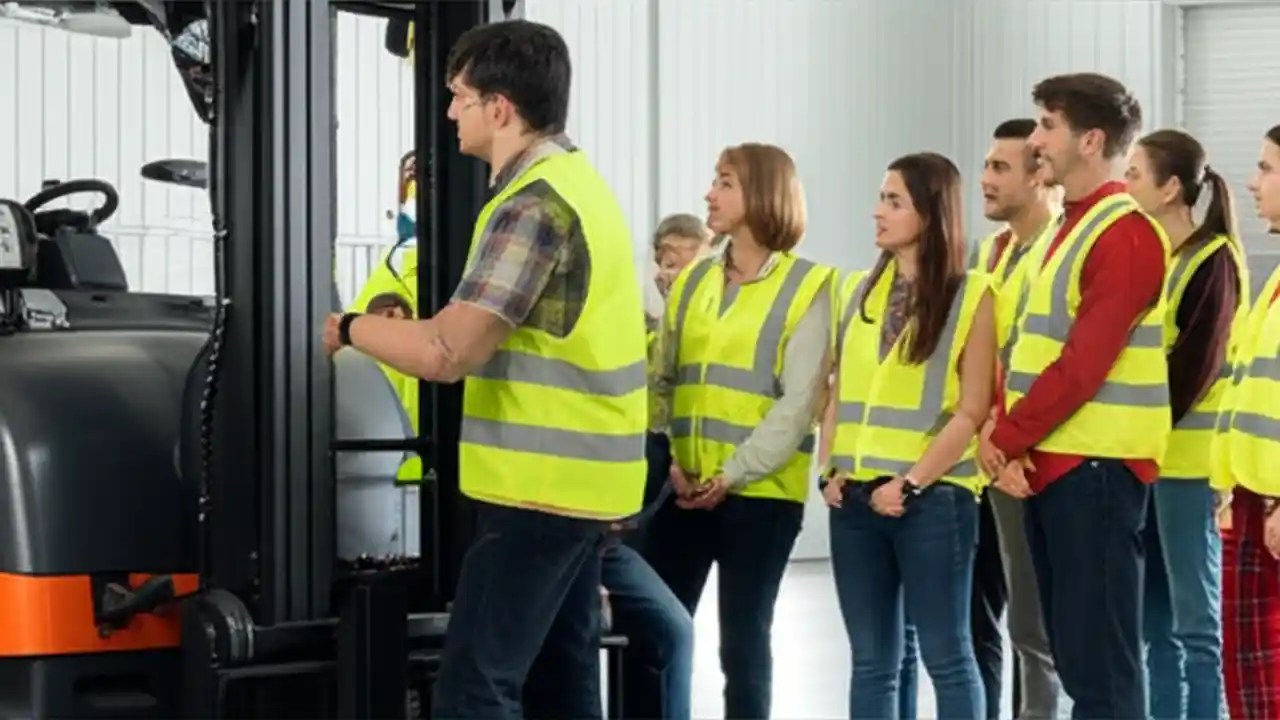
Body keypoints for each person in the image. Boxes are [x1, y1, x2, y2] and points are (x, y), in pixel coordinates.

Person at [322, 20, 648, 719]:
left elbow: (448, 353)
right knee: (562, 686)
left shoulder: (533, 205)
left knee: (474, 690)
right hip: (583, 485)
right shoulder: (578, 183)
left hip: (540, 490)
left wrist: (349, 328)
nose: (448, 114)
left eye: (459, 97)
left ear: (499, 108)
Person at [985, 72, 1171, 720]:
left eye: (1048, 125)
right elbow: (1029, 355)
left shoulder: (1123, 234)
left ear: (1090, 140)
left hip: (1096, 474)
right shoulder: (1066, 230)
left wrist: (1005, 438)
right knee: (1077, 660)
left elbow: (1082, 367)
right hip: (1054, 469)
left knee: (1103, 675)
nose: (1036, 139)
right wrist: (1008, 443)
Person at [646, 142, 834, 719]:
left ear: (763, 195)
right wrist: (673, 461)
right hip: (683, 488)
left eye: (724, 182)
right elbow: (663, 380)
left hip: (760, 498)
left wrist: (731, 474)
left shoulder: (810, 286)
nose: (709, 193)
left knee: (743, 645)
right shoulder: (695, 282)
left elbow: (799, 404)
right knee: (659, 632)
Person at [822, 151, 995, 720]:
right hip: (853, 500)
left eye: (893, 201)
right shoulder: (858, 291)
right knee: (872, 662)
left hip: (932, 501)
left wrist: (912, 484)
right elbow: (839, 387)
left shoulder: (975, 295)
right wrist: (828, 469)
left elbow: (972, 410)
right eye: (880, 198)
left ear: (931, 211)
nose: (877, 212)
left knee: (947, 657)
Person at [1124, 128, 1245, 720]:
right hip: (1150, 464)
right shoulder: (1160, 258)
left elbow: (1190, 371)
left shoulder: (1212, 260)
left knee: (1196, 625)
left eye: (1135, 175)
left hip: (1185, 469)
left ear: (1172, 188)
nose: (1125, 187)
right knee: (1154, 627)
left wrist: (1128, 426)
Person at [973, 118, 1064, 720]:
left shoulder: (1058, 248)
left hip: (1026, 459)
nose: (984, 179)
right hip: (979, 459)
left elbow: (1050, 359)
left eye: (1000, 168)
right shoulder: (992, 252)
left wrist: (1011, 445)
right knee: (979, 618)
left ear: (1039, 176)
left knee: (1035, 628)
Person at [1214, 123, 1280, 720]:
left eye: (1267, 168)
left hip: (1276, 505)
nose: (1253, 183)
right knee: (1250, 678)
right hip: (1251, 501)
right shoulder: (1276, 282)